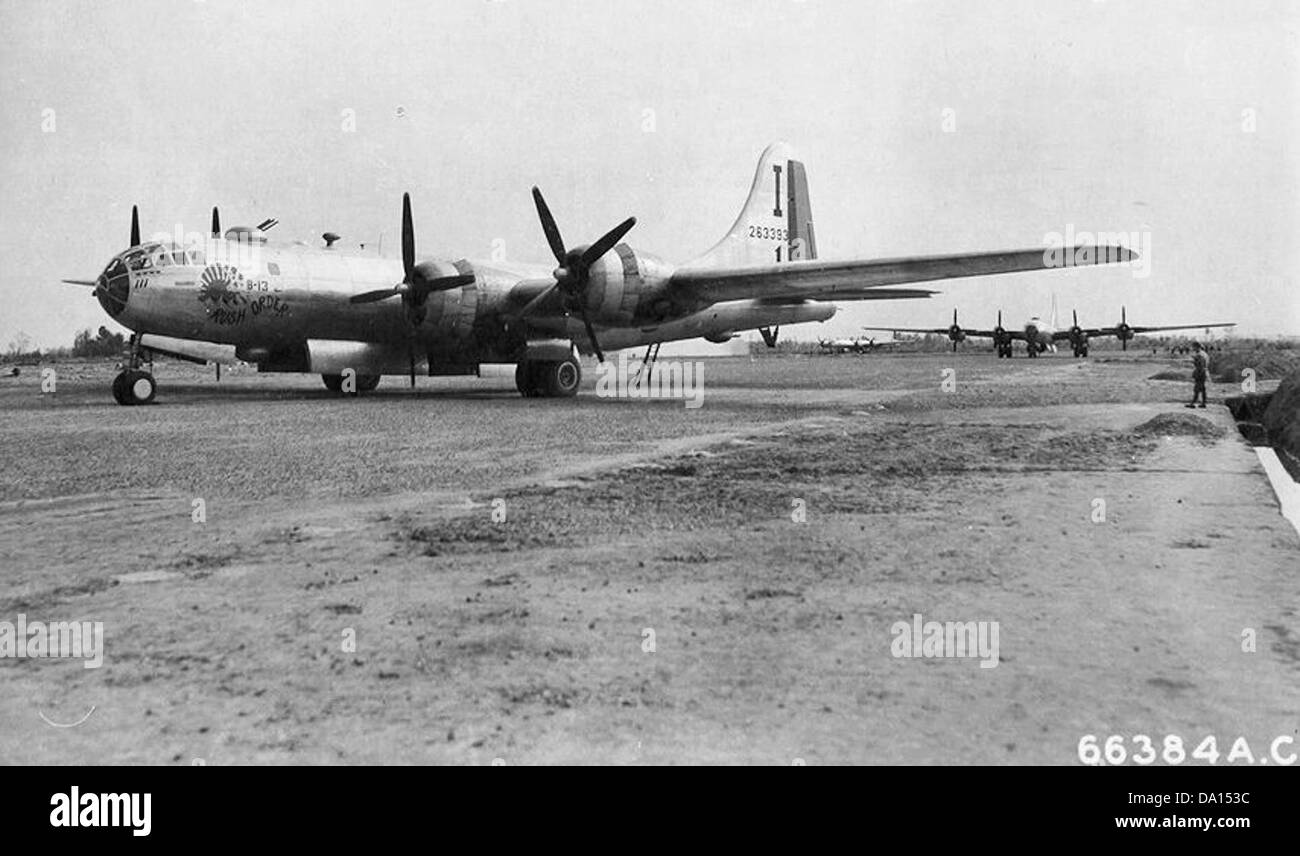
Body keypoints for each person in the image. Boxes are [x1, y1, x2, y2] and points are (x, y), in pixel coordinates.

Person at [1185, 341, 1208, 408]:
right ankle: (1203, 403)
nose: (1193, 348)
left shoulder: (1199, 355)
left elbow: (1200, 365)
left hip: (1200, 372)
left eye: (1193, 347)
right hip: (1204, 372)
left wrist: (1194, 361)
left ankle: (1192, 403)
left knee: (1196, 388)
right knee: (1203, 389)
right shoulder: (1204, 354)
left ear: (1197, 347)